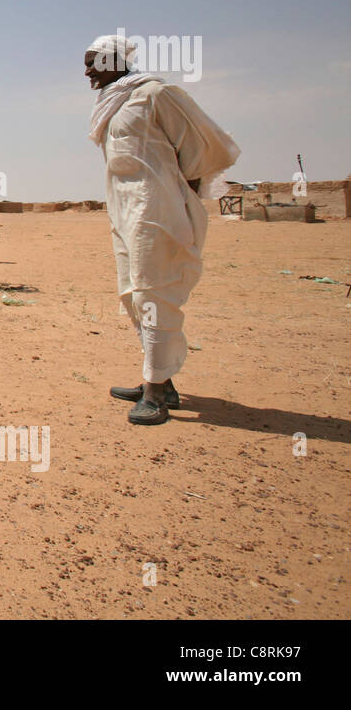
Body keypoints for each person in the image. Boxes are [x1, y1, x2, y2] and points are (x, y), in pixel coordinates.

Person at [85, 34, 240, 425]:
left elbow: (205, 144)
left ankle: (155, 394)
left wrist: (178, 197)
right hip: (124, 211)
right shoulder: (113, 101)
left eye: (93, 61)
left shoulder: (155, 93)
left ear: (115, 59)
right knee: (131, 293)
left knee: (153, 292)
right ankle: (161, 378)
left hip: (156, 210)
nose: (86, 70)